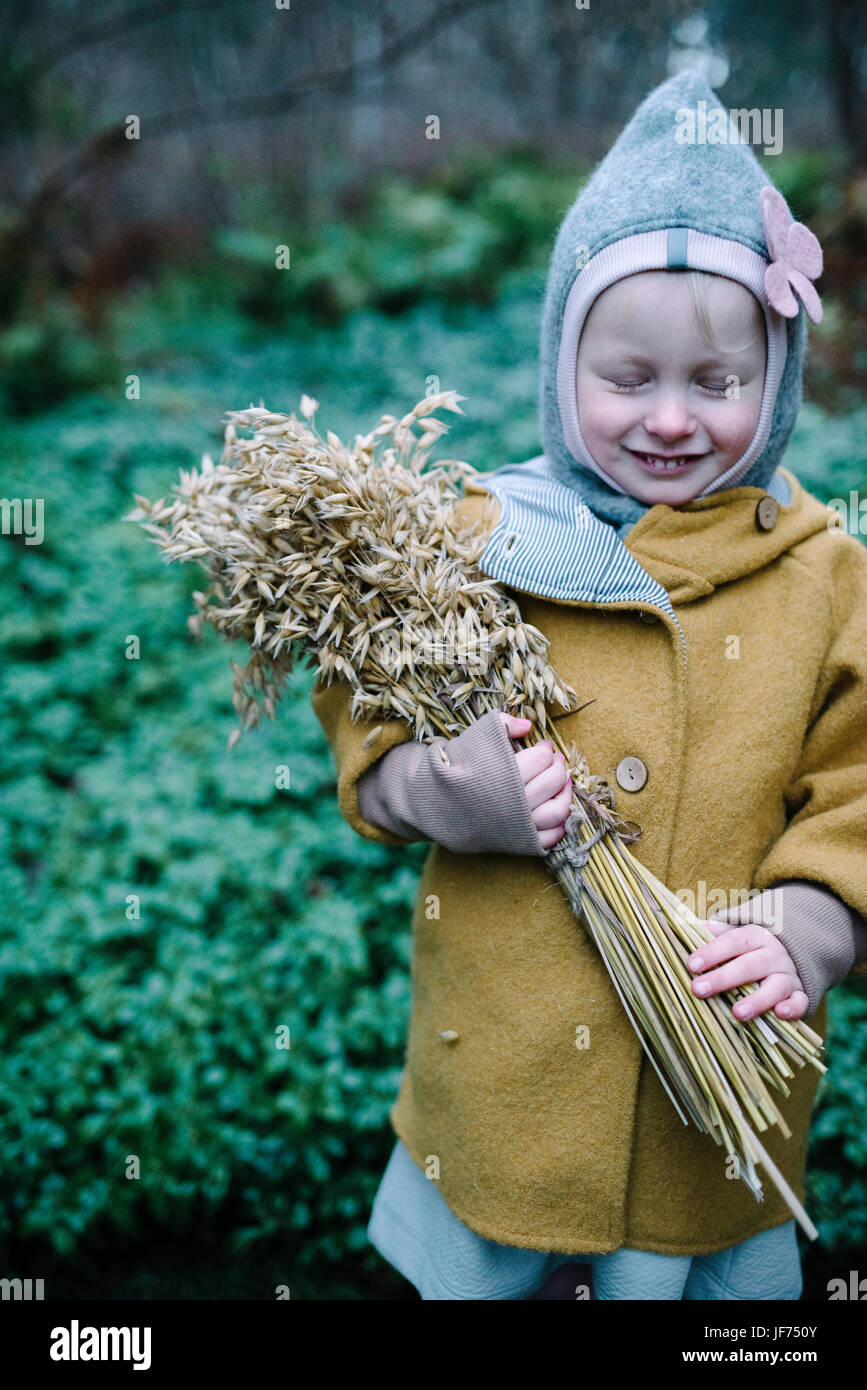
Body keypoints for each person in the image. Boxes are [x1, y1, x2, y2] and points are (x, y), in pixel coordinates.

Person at [310, 71, 867, 1300]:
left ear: (774, 383)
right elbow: (369, 714)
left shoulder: (823, 573)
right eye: (628, 376)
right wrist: (454, 794)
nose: (671, 420)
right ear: (564, 363)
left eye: (717, 383)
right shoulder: (474, 537)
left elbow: (859, 786)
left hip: (706, 1106)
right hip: (502, 1077)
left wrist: (813, 925)